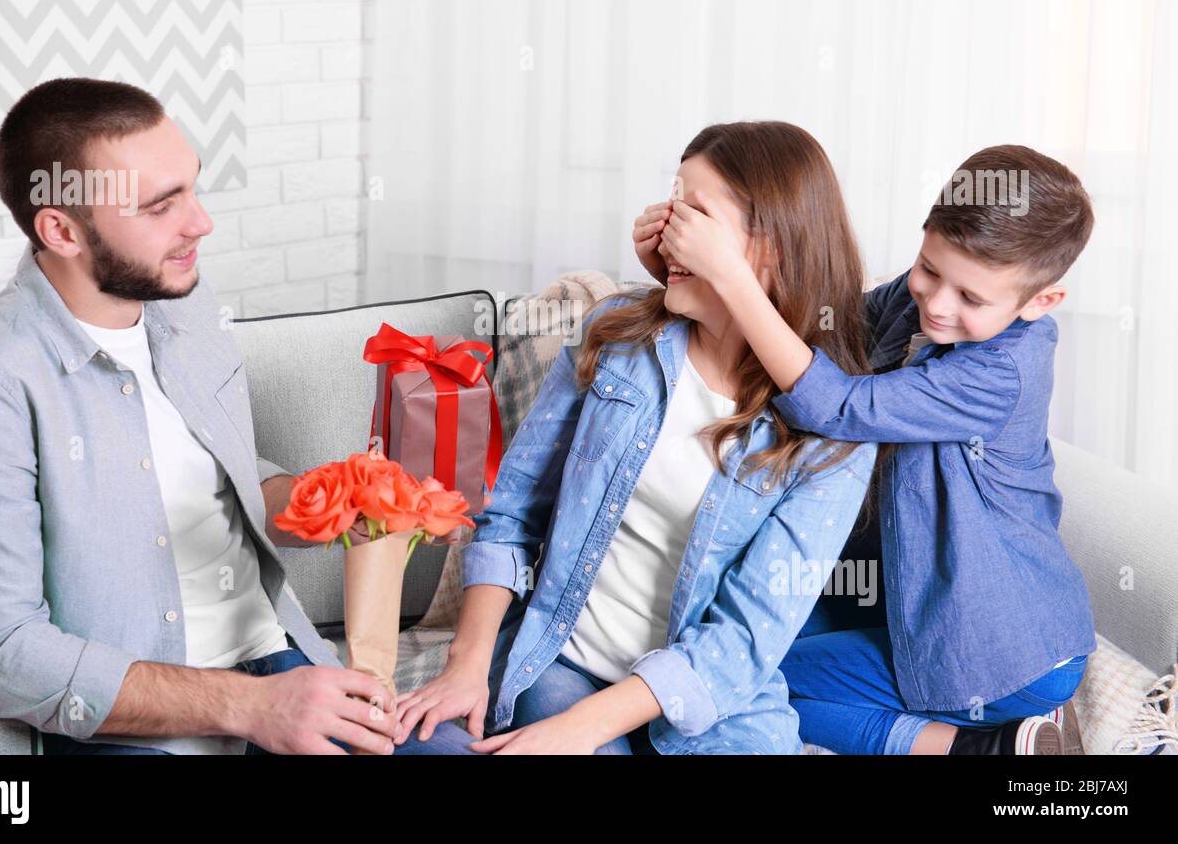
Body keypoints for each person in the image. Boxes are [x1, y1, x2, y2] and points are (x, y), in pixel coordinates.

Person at [0, 77, 476, 755]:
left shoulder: (186, 305)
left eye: (192, 188)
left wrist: (324, 499)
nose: (200, 222)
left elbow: (216, 476)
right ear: (60, 229)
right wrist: (254, 705)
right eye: (160, 206)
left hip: (281, 662)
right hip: (142, 725)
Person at [392, 121, 878, 754]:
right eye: (671, 202)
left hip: (711, 718)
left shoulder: (834, 442)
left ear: (772, 248)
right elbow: (512, 514)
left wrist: (571, 736)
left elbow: (742, 643)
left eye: (696, 215)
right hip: (566, 671)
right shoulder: (616, 336)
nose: (667, 228)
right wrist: (467, 663)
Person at [640, 142, 1095, 754]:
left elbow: (837, 404)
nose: (935, 304)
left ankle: (977, 750)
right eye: (929, 269)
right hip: (895, 597)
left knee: (752, 682)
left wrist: (731, 275)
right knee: (729, 637)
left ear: (1041, 302)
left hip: (999, 647)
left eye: (971, 298)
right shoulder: (916, 307)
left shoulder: (1004, 371)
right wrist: (680, 273)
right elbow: (815, 338)